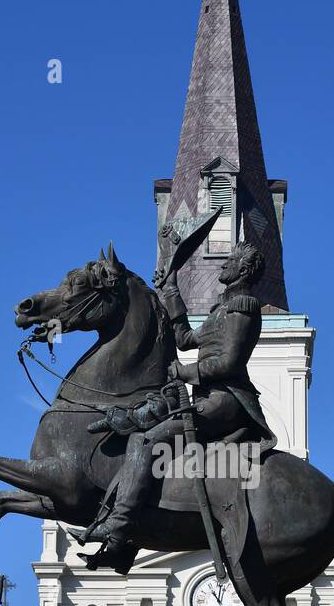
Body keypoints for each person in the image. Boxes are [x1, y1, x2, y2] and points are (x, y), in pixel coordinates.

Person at [81, 239, 275, 569]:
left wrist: (186, 371)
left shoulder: (244, 305)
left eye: (230, 260)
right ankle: (135, 531)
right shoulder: (221, 310)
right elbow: (185, 339)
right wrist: (171, 290)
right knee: (141, 424)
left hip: (226, 400)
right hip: (207, 396)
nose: (222, 265)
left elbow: (229, 363)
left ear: (244, 269)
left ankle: (120, 525)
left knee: (147, 439)